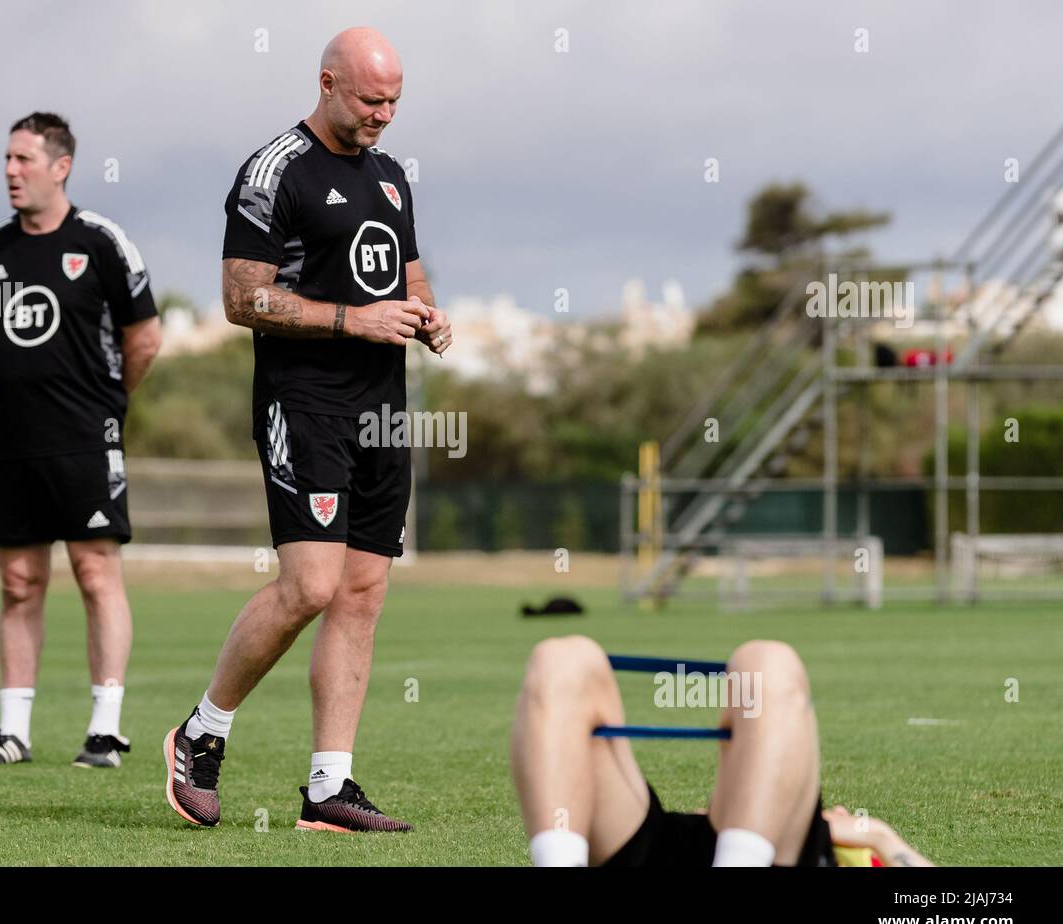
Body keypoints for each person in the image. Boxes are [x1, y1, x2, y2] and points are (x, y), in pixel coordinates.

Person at [163, 27, 451, 833]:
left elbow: (408, 268)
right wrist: (351, 321)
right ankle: (200, 732)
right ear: (328, 83)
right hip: (305, 405)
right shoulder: (271, 173)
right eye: (369, 99)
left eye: (395, 101)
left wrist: (427, 313)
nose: (384, 116)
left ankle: (330, 788)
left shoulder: (392, 177)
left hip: (382, 411)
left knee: (362, 591)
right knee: (311, 586)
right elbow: (241, 298)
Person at [0, 112, 161, 769]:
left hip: (85, 440)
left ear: (60, 165)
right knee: (18, 583)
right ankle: (12, 731)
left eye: (24, 159)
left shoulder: (102, 242)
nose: (11, 172)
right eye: (7, 160)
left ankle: (106, 730)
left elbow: (145, 338)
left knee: (96, 573)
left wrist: (104, 404)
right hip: (11, 442)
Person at [511, 636, 933, 866]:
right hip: (669, 846)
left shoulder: (844, 847)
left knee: (767, 663)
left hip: (769, 854)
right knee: (561, 659)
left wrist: (880, 836)